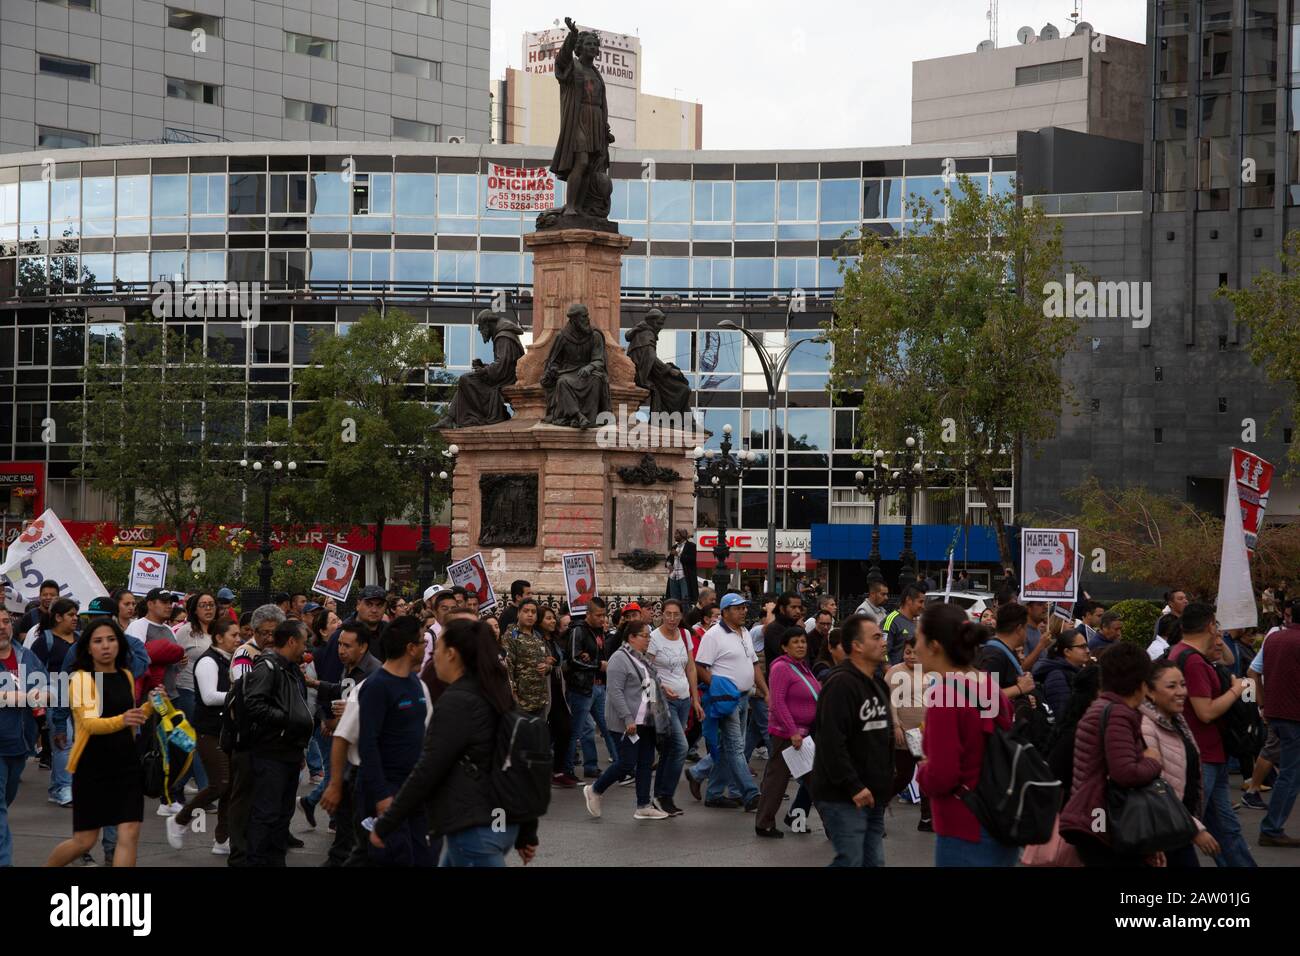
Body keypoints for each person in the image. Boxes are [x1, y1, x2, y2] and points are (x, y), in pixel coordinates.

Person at [371, 619, 540, 866]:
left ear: (451, 654)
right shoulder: (496, 692)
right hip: (499, 821)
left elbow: (428, 769)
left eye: (437, 648)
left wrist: (387, 823)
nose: (432, 656)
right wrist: (526, 831)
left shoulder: (457, 702)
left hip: (475, 828)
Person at [44, 619, 155, 868]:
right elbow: (90, 724)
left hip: (126, 764)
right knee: (84, 841)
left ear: (120, 643)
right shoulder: (81, 679)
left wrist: (151, 705)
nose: (106, 646)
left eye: (111, 639)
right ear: (88, 647)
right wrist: (124, 719)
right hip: (92, 766)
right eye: (98, 641)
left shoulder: (125, 675)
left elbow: (131, 716)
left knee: (129, 833)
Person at [915, 603, 1019, 866]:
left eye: (918, 639)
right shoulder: (988, 685)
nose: (915, 648)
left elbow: (943, 775)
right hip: (999, 817)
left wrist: (923, 770)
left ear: (935, 645)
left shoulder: (945, 696)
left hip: (963, 826)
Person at [1059, 642, 1166, 866]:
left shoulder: (1104, 708)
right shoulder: (1117, 714)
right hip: (1107, 822)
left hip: (1098, 819)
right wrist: (1153, 761)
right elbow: (1125, 773)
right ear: (1140, 682)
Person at [1167, 602, 1256, 865]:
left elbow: (1228, 659)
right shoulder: (1192, 661)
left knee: (1225, 830)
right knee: (1188, 832)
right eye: (1215, 625)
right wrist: (1235, 691)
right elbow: (1205, 711)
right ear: (1209, 625)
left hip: (1209, 753)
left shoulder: (1186, 653)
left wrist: (1215, 635)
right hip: (1202, 753)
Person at [810, 613, 895, 866]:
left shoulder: (878, 684)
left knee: (873, 862)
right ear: (857, 645)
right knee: (851, 860)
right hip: (843, 796)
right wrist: (853, 786)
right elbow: (831, 742)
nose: (883, 642)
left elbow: (881, 737)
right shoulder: (840, 684)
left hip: (874, 796)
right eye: (876, 637)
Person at [353, 616, 435, 865]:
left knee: (422, 857)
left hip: (413, 791)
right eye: (422, 641)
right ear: (411, 648)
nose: (426, 647)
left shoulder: (416, 684)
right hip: (387, 791)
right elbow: (367, 744)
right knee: (394, 857)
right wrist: (381, 795)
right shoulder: (377, 686)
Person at [241, 618, 314, 867]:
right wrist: (286, 719)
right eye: (304, 642)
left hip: (289, 752)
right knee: (266, 813)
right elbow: (254, 704)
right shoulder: (268, 667)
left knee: (282, 815)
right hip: (270, 753)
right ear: (292, 641)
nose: (306, 648)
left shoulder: (291, 668)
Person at [167, 616, 240, 854]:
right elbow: (209, 697)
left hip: (225, 732)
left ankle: (222, 840)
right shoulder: (209, 661)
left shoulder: (228, 660)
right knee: (220, 785)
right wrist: (238, 694)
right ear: (219, 638)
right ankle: (179, 820)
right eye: (234, 636)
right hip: (209, 732)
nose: (238, 640)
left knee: (229, 788)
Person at [687, 593, 767, 811]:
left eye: (744, 607)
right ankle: (750, 793)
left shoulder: (745, 633)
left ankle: (710, 789)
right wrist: (720, 687)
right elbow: (700, 667)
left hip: (744, 697)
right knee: (735, 747)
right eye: (737, 608)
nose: (743, 611)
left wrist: (765, 691)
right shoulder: (713, 635)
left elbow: (754, 664)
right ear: (724, 612)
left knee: (726, 747)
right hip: (725, 700)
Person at [584, 621, 668, 820]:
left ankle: (643, 805)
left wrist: (663, 693)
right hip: (627, 722)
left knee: (646, 762)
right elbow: (614, 692)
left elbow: (648, 685)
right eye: (644, 636)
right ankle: (595, 789)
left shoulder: (642, 659)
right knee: (626, 763)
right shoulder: (619, 658)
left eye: (649, 636)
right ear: (631, 637)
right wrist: (627, 718)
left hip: (646, 720)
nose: (648, 640)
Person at [1140, 660, 1221, 867]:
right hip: (1161, 832)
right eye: (1171, 686)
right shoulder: (1146, 727)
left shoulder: (1176, 720)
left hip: (1177, 829)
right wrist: (1194, 829)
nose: (1181, 692)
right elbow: (1156, 789)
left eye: (1183, 685)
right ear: (1149, 691)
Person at [301, 621, 380, 827]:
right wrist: (316, 685)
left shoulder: (374, 672)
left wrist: (354, 710)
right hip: (346, 744)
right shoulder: (350, 667)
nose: (341, 650)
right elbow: (342, 691)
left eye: (347, 646)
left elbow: (379, 713)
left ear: (362, 647)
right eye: (339, 645)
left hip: (363, 754)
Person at [756, 626, 820, 837]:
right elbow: (777, 703)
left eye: (803, 641)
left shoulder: (802, 667)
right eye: (795, 642)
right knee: (777, 781)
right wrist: (793, 732)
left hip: (805, 735)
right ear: (784, 647)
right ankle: (764, 823)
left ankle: (834, 826)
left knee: (815, 782)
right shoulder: (782, 668)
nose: (801, 645)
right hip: (787, 736)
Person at [0, 606, 47, 867]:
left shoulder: (26, 657)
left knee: (4, 805)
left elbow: (47, 689)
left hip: (20, 745)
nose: (2, 626)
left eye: (6, 621)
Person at [647, 598, 702, 816]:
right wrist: (660, 688)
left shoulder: (685, 634)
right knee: (680, 747)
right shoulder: (653, 638)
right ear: (662, 614)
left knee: (671, 749)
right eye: (667, 614)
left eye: (676, 614)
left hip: (683, 699)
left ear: (681, 615)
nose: (671, 618)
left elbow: (690, 668)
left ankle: (659, 796)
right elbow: (646, 670)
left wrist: (696, 699)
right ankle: (665, 795)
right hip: (663, 701)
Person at [1258, 598, 1300, 847]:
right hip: (1294, 715)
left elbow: (1254, 671)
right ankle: (1272, 828)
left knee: (1289, 771)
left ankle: (1272, 827)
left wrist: (1261, 703)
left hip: (1276, 712)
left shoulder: (1272, 639)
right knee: (1290, 774)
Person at [34, 597, 80, 808]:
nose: (75, 618)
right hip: (55, 698)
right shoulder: (44, 641)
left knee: (76, 743)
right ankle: (63, 788)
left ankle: (58, 788)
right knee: (64, 742)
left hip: (81, 698)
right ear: (58, 617)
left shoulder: (81, 639)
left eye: (76, 614)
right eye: (71, 614)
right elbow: (34, 672)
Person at [170, 590, 217, 801]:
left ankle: (175, 787)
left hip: (211, 692)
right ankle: (205, 792)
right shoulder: (185, 631)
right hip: (187, 689)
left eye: (211, 604)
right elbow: (172, 657)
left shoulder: (218, 631)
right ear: (194, 610)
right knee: (196, 740)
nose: (208, 608)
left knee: (199, 741)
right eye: (203, 605)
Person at [887, 635, 933, 831]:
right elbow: (891, 702)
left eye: (915, 652)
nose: (911, 656)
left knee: (926, 775)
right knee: (902, 776)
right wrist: (896, 726)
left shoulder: (929, 673)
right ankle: (874, 810)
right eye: (907, 652)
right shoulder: (894, 672)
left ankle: (927, 819)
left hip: (926, 734)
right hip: (905, 734)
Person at [538, 606, 577, 788]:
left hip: (558, 689)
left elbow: (562, 664)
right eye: (548, 618)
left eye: (553, 618)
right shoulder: (536, 640)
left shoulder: (555, 641)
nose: (553, 621)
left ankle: (557, 770)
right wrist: (546, 664)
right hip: (543, 690)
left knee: (565, 728)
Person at [503, 598, 551, 717]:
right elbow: (508, 666)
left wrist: (547, 667)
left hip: (539, 700)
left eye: (533, 612)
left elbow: (547, 662)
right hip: (522, 702)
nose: (530, 615)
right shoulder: (511, 635)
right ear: (518, 613)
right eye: (526, 611)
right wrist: (513, 695)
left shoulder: (537, 636)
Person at [1033, 627, 1091, 719]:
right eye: (1082, 647)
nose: (1087, 651)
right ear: (1067, 652)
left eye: (1087, 646)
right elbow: (1063, 714)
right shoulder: (1056, 676)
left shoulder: (1077, 671)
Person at [883, 585, 924, 666]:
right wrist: (891, 674)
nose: (923, 606)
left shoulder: (917, 622)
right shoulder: (891, 620)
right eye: (920, 602)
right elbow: (883, 652)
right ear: (908, 600)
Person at [1148, 588, 1188, 659]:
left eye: (1185, 598)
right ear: (1171, 603)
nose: (1185, 601)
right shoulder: (1164, 620)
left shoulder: (1188, 620)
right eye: (1180, 599)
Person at [666, 528, 698, 604]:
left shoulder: (691, 546)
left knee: (685, 599)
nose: (674, 536)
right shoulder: (674, 547)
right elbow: (669, 560)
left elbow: (692, 560)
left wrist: (679, 554)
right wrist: (669, 564)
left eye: (677, 534)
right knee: (674, 600)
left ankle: (686, 615)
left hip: (684, 576)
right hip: (673, 576)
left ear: (682, 535)